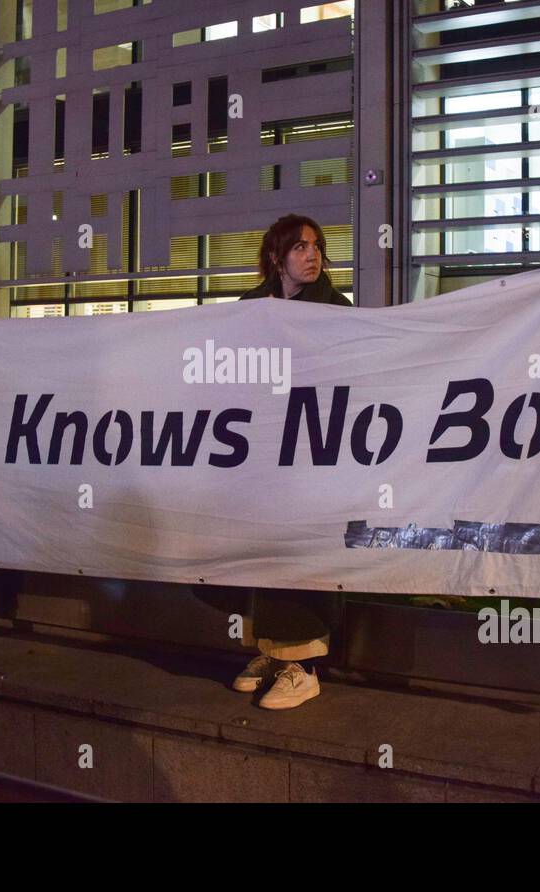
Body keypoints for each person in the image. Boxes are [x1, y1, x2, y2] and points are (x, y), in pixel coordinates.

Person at [202, 214, 352, 710]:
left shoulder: (334, 309)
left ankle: (304, 666)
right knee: (261, 551)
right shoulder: (250, 310)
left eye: (317, 246)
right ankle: (272, 651)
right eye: (301, 247)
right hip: (258, 455)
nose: (312, 256)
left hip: (309, 454)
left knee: (297, 552)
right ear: (276, 257)